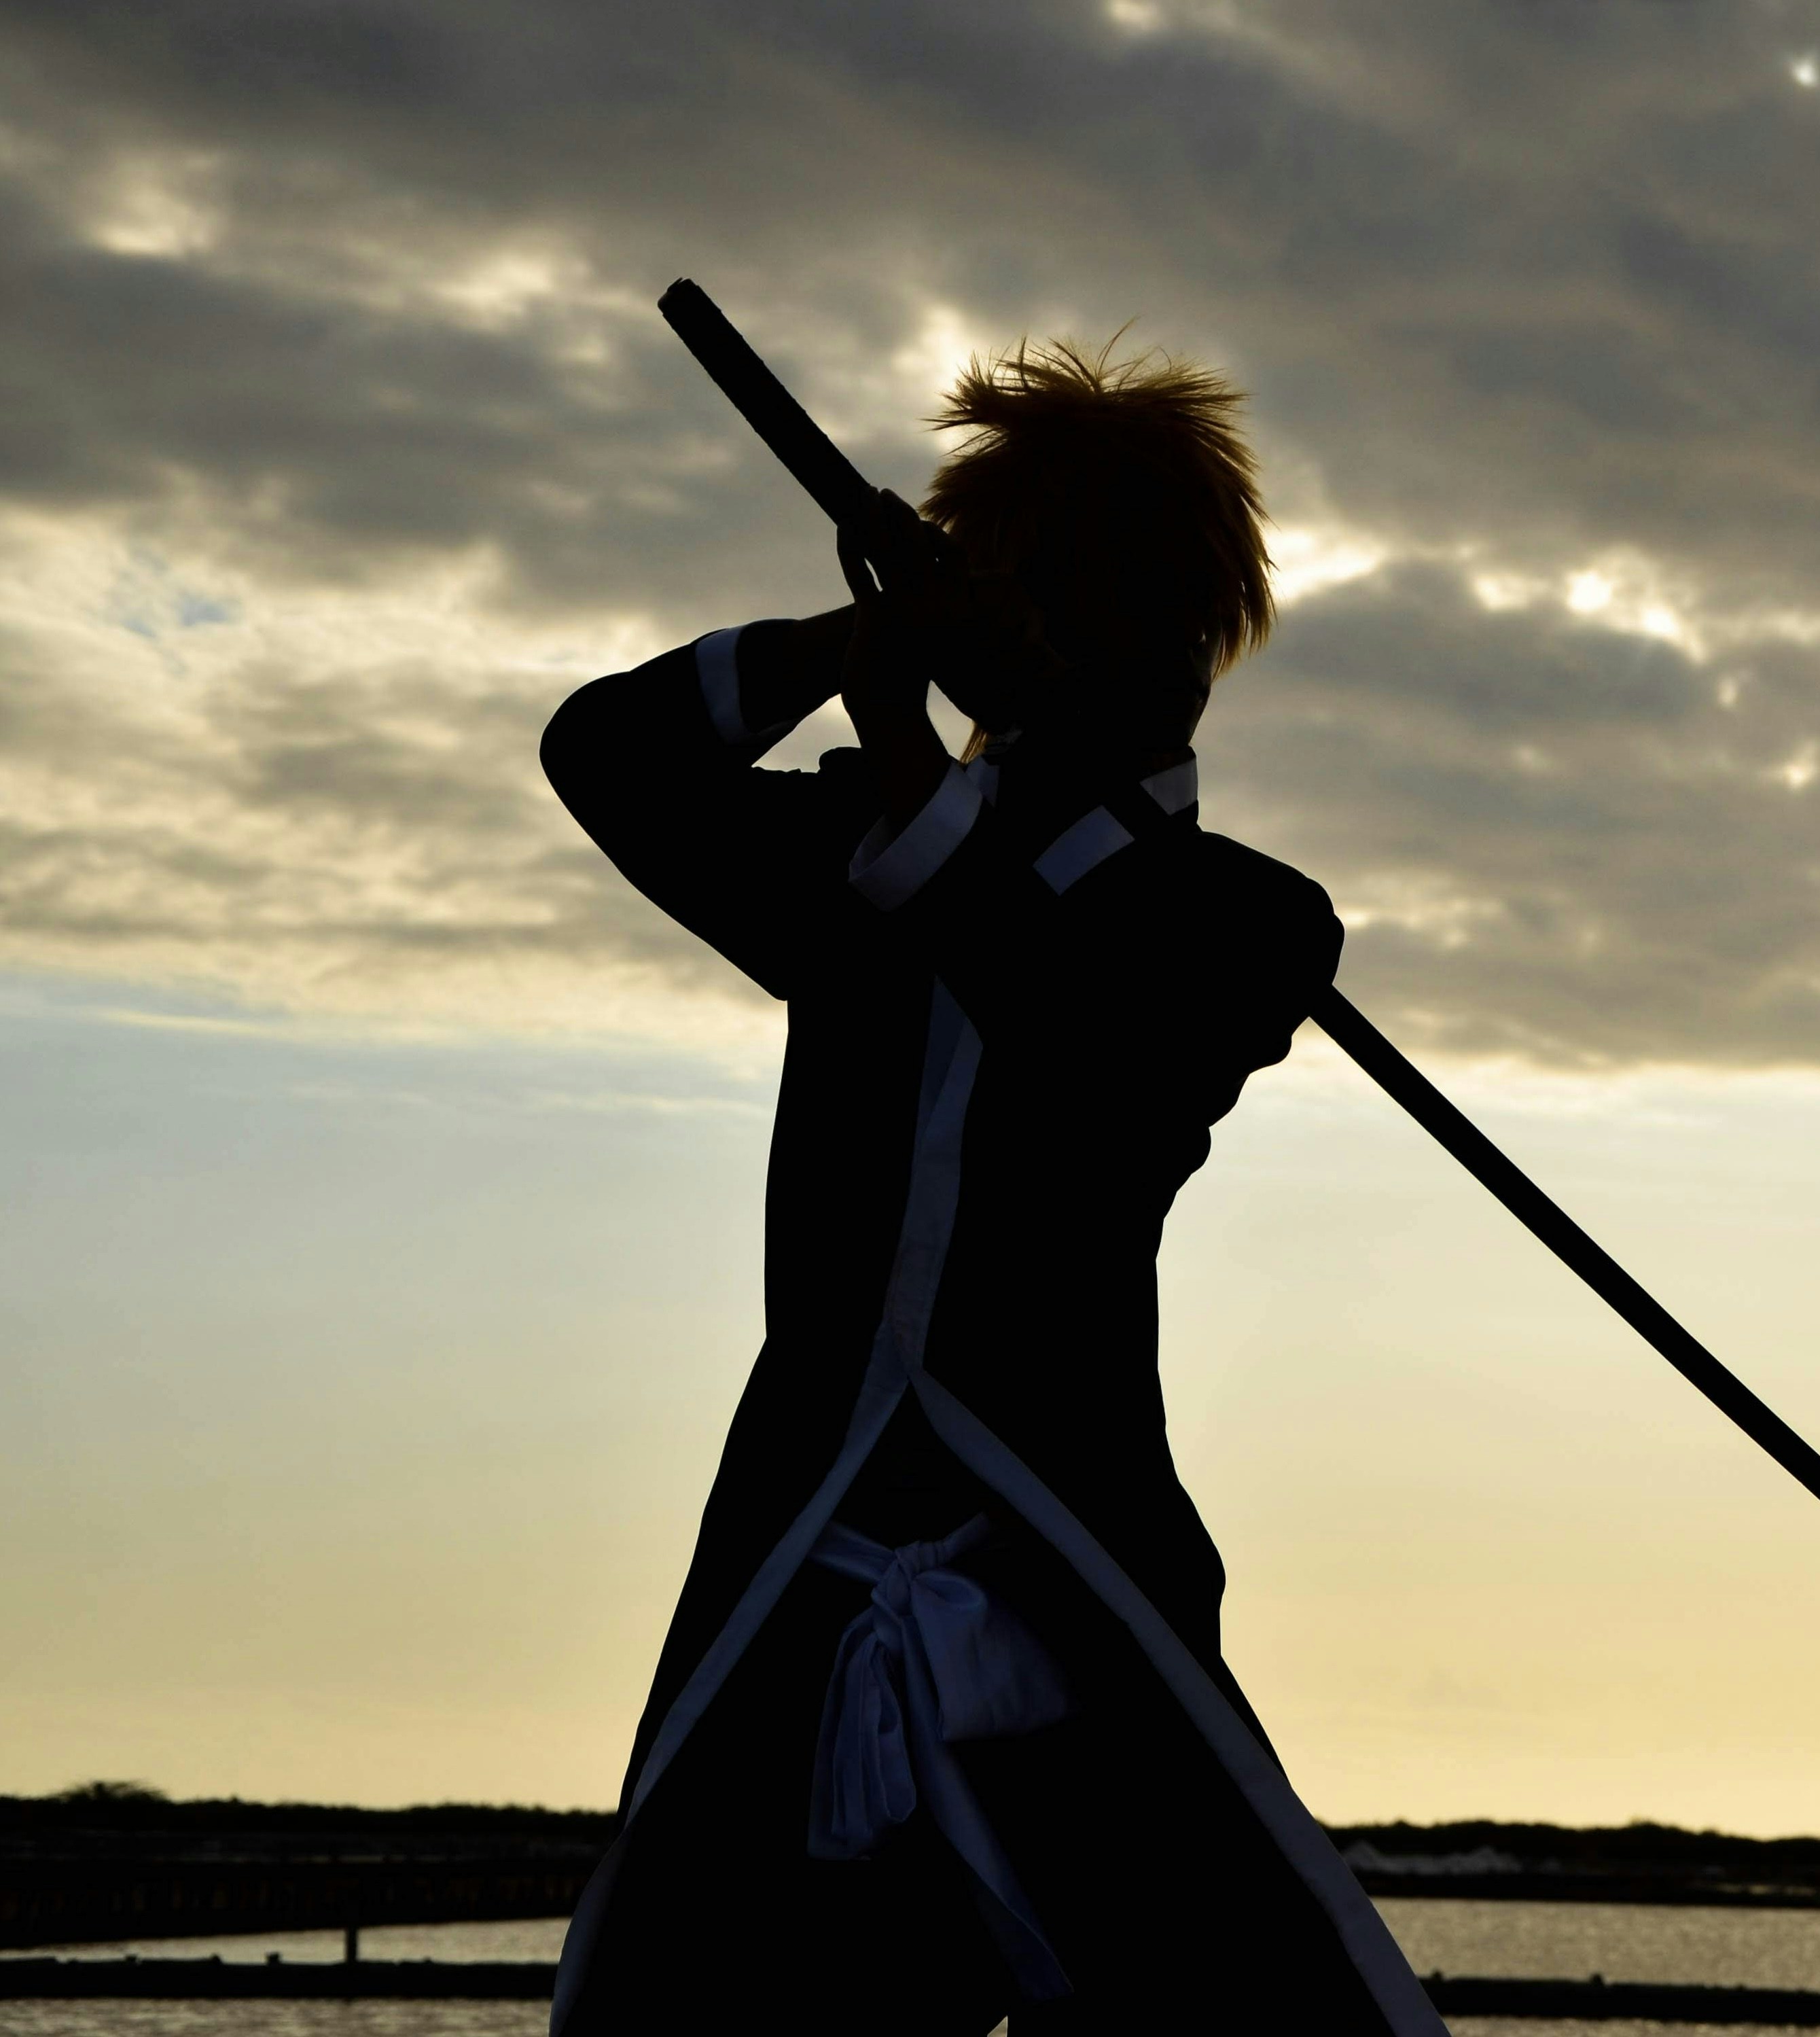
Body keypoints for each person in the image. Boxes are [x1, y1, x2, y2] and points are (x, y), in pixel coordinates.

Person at [541, 340, 1444, 2036]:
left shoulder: (1242, 922)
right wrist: (845, 653)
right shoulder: (851, 861)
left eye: (1137, 615)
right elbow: (603, 754)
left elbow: (1054, 1009)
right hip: (793, 1556)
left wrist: (908, 740)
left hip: (1071, 1569)